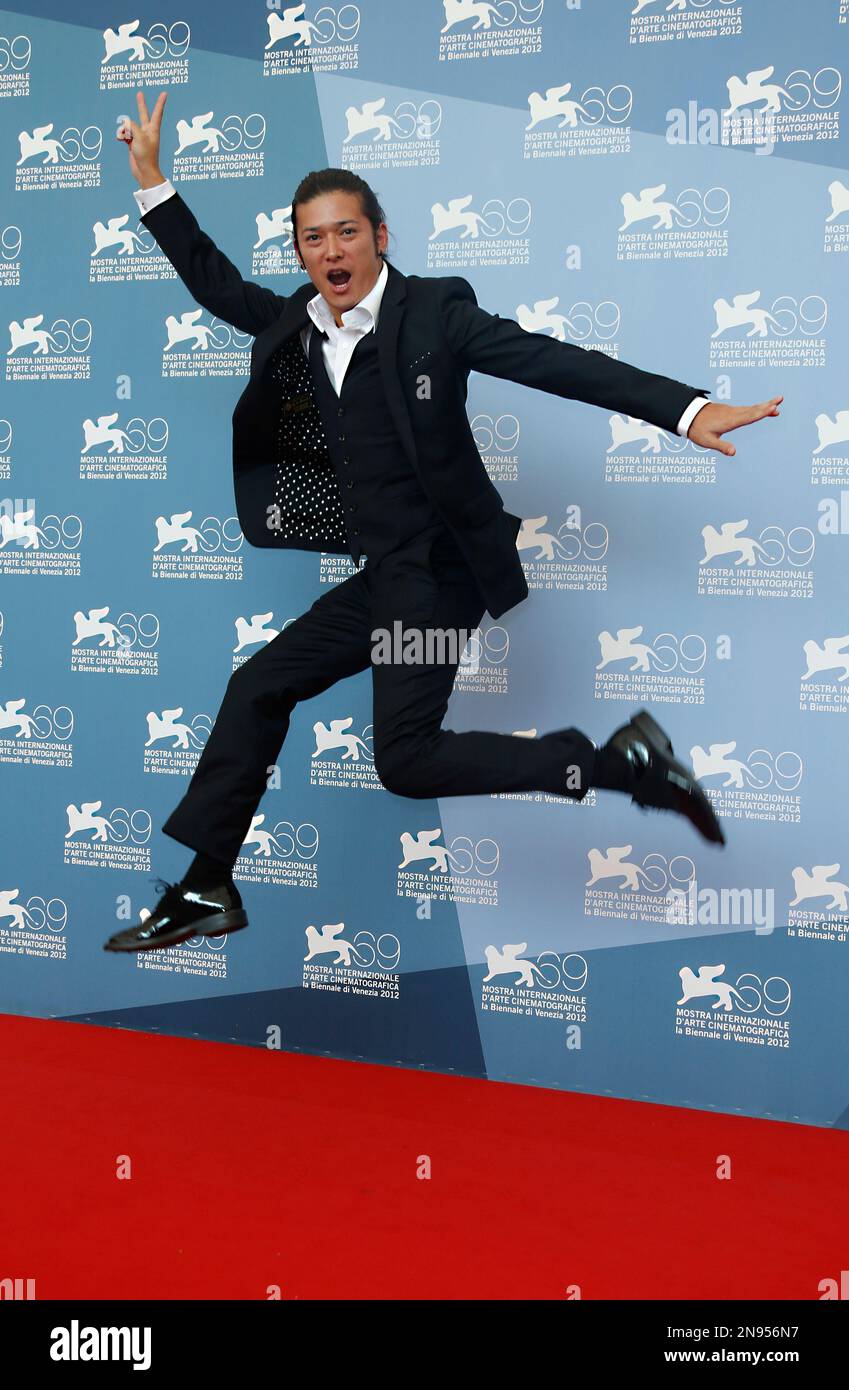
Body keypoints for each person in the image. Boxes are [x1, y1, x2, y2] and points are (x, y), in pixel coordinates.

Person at [105, 91, 783, 953]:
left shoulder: (436, 316)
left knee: (406, 759)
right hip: (384, 580)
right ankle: (206, 886)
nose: (330, 250)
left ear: (378, 237)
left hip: (436, 581)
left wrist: (687, 410)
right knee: (256, 687)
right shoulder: (297, 323)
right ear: (302, 252)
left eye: (345, 231)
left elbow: (558, 364)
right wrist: (154, 182)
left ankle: (616, 765)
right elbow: (212, 280)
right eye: (313, 237)